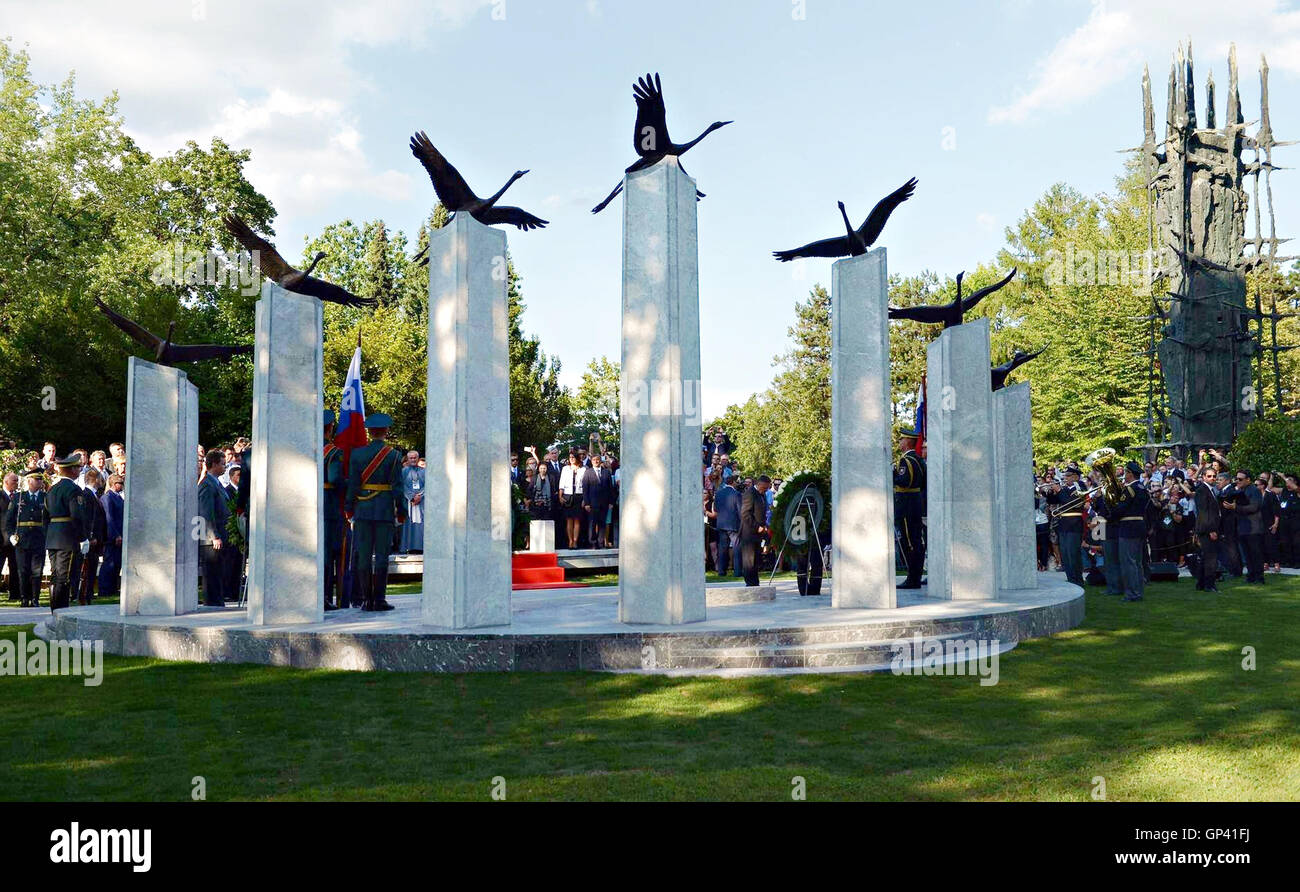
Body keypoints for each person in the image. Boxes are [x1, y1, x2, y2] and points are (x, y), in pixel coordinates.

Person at [344, 413, 405, 612]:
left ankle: (365, 600)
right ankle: (379, 599)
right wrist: (402, 510)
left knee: (362, 555)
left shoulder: (357, 454)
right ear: (386, 432)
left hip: (362, 509)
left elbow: (353, 485)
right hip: (385, 509)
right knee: (381, 556)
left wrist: (348, 508)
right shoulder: (394, 455)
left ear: (369, 432)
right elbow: (397, 487)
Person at [44, 454, 88, 610]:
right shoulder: (73, 489)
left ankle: (54, 610)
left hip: (53, 538)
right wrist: (83, 538)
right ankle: (60, 612)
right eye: (77, 467)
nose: (79, 470)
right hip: (67, 539)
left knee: (56, 576)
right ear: (71, 470)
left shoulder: (52, 490)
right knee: (65, 577)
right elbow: (76, 516)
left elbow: (45, 516)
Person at [7, 470, 47, 607]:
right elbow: (9, 520)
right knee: (23, 570)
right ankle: (24, 598)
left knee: (37, 570)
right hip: (22, 539)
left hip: (39, 539)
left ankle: (35, 599)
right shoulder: (18, 497)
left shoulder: (45, 497)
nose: (40, 482)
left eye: (41, 479)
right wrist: (11, 534)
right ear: (29, 481)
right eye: (37, 479)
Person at [321, 411, 349, 610]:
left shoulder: (305, 448)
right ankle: (322, 597)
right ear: (330, 427)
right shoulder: (333, 452)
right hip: (328, 506)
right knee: (327, 552)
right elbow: (335, 480)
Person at [197, 449, 230, 607]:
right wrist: (213, 535)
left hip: (219, 535)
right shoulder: (207, 485)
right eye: (223, 464)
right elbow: (206, 513)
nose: (225, 467)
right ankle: (212, 603)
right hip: (210, 538)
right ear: (214, 464)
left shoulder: (216, 483)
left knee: (218, 571)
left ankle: (217, 601)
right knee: (212, 572)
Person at [894, 430, 926, 589]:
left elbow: (904, 481)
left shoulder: (906, 460)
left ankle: (912, 578)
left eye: (901, 439)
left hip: (906, 504)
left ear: (907, 441)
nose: (899, 442)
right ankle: (915, 576)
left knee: (910, 542)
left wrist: (892, 475)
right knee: (916, 541)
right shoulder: (919, 459)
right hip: (916, 502)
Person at [1046, 464, 1087, 587]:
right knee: (1065, 553)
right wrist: (1050, 492)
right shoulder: (1065, 489)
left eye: (1068, 476)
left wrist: (1059, 490)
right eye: (1065, 476)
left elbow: (1070, 502)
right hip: (1063, 523)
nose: (1065, 478)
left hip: (1074, 522)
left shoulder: (1080, 486)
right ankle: (1070, 579)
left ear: (1075, 476)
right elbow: (1053, 501)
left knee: (1073, 553)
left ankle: (1077, 579)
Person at [1226, 469, 1265, 584]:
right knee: (1247, 554)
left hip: (1253, 527)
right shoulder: (1239, 490)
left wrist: (1235, 507)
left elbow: (1254, 507)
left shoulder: (1255, 491)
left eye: (1240, 479)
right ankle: (1251, 575)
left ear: (1248, 479)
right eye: (1236, 479)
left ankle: (1259, 577)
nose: (1237, 481)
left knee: (1255, 554)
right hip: (1243, 527)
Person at [76, 468, 108, 605]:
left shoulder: (93, 495)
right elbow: (87, 518)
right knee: (87, 569)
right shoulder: (87, 495)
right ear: (95, 480)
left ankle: (88, 594)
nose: (102, 482)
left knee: (92, 568)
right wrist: (90, 536)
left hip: (96, 540)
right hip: (91, 539)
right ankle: (84, 594)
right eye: (100, 479)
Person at [1192, 465, 1222, 591]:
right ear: (1203, 477)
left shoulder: (1210, 490)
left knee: (1206, 557)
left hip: (1207, 528)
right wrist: (1211, 530)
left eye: (1214, 476)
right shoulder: (1202, 490)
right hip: (1207, 529)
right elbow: (1204, 512)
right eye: (1209, 476)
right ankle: (1209, 585)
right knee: (1211, 558)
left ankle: (1201, 583)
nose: (1212, 478)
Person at [739, 475, 771, 587]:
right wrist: (757, 527)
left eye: (767, 488)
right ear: (758, 484)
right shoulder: (750, 493)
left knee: (756, 559)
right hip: (749, 532)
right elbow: (745, 514)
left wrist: (764, 526)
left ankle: (755, 583)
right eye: (764, 487)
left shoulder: (762, 495)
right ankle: (750, 583)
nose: (766, 490)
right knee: (749, 560)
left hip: (759, 532)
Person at [98, 473, 124, 600]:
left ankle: (113, 588)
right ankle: (105, 589)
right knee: (109, 563)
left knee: (117, 563)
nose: (122, 486)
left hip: (119, 535)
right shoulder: (107, 497)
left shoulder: (118, 497)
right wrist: (115, 535)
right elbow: (109, 518)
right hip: (112, 536)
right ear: (114, 484)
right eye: (120, 483)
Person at [582, 454, 614, 548]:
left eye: (597, 460)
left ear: (600, 461)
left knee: (602, 524)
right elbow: (585, 488)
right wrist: (586, 503)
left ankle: (601, 542)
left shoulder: (606, 472)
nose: (596, 461)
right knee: (592, 524)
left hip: (604, 503)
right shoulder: (588, 472)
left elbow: (610, 488)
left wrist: (611, 502)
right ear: (591, 461)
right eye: (594, 460)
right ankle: (593, 542)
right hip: (592, 503)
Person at [712, 475, 741, 576]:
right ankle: (737, 571)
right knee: (737, 547)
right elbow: (740, 511)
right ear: (733, 482)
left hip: (721, 523)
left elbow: (715, 508)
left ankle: (721, 571)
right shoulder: (736, 494)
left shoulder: (718, 494)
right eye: (736, 482)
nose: (737, 483)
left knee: (722, 548)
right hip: (733, 524)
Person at [400, 450, 425, 555]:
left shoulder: (424, 471)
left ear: (418, 458)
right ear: (408, 459)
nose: (413, 460)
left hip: (422, 502)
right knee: (409, 523)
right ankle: (409, 546)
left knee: (422, 524)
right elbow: (401, 485)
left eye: (415, 458)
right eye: (411, 458)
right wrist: (411, 496)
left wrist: (420, 495)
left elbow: (428, 484)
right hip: (409, 501)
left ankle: (422, 546)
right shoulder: (403, 471)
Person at [558, 451, 585, 549]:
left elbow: (585, 485)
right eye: (570, 457)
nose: (572, 459)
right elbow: (561, 483)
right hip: (567, 495)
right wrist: (560, 496)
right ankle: (570, 540)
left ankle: (575, 541)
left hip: (579, 495)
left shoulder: (583, 469)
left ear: (577, 458)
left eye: (573, 457)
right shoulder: (565, 469)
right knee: (569, 520)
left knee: (577, 520)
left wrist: (585, 499)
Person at [0, 472, 17, 603]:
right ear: (6, 482)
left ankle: (15, 594)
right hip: (1, 540)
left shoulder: (17, 497)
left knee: (15, 567)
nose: (16, 483)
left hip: (14, 540)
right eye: (14, 481)